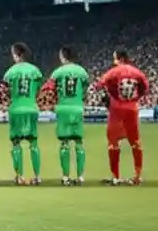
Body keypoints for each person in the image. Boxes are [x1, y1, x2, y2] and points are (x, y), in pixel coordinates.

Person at [98, 48, 149, 185]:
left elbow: (100, 84)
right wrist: (136, 97)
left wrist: (111, 93)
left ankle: (115, 177)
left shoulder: (114, 72)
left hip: (116, 110)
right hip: (132, 109)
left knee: (113, 143)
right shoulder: (137, 72)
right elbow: (145, 87)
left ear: (119, 59)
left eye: (114, 58)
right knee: (135, 142)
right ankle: (137, 176)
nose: (113, 61)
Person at [3, 42, 44, 186]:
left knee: (16, 143)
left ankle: (19, 176)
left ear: (16, 54)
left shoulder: (10, 72)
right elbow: (38, 88)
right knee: (33, 143)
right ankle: (37, 176)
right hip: (31, 107)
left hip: (16, 109)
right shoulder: (35, 71)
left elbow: (6, 91)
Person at [48, 46, 89, 186]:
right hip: (77, 108)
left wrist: (53, 103)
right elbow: (85, 89)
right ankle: (80, 177)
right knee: (79, 143)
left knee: (64, 143)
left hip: (63, 108)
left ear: (62, 56)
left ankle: (65, 177)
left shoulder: (58, 72)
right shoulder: (82, 72)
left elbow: (49, 89)